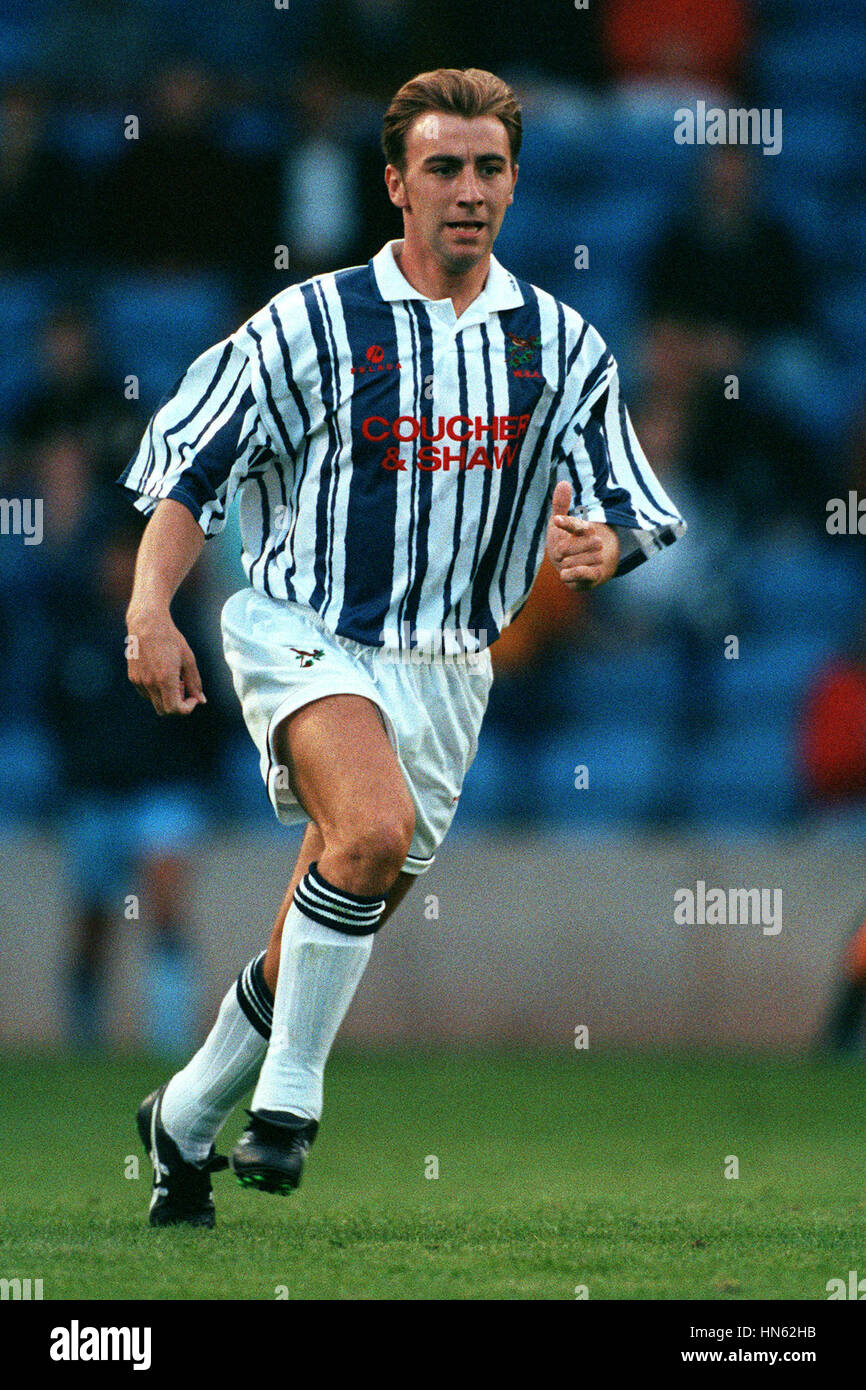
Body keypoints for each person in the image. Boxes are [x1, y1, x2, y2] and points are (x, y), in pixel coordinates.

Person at [121, 68, 685, 1227]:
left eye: (487, 169)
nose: (466, 190)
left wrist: (603, 549)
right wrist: (147, 609)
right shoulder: (313, 322)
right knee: (367, 832)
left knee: (344, 892)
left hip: (449, 670)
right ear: (394, 183)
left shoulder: (561, 345)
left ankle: (178, 1119)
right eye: (442, 167)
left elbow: (633, 500)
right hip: (305, 632)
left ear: (513, 184)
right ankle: (288, 1102)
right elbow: (193, 467)